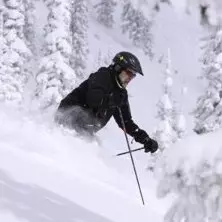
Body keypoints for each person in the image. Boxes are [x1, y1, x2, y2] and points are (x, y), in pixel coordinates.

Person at [55, 51, 158, 153]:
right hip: (68, 119)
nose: (130, 78)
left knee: (91, 152)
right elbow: (93, 100)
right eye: (129, 73)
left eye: (133, 76)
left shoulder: (121, 93)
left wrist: (145, 139)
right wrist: (113, 99)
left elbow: (126, 122)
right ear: (118, 68)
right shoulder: (103, 76)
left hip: (84, 130)